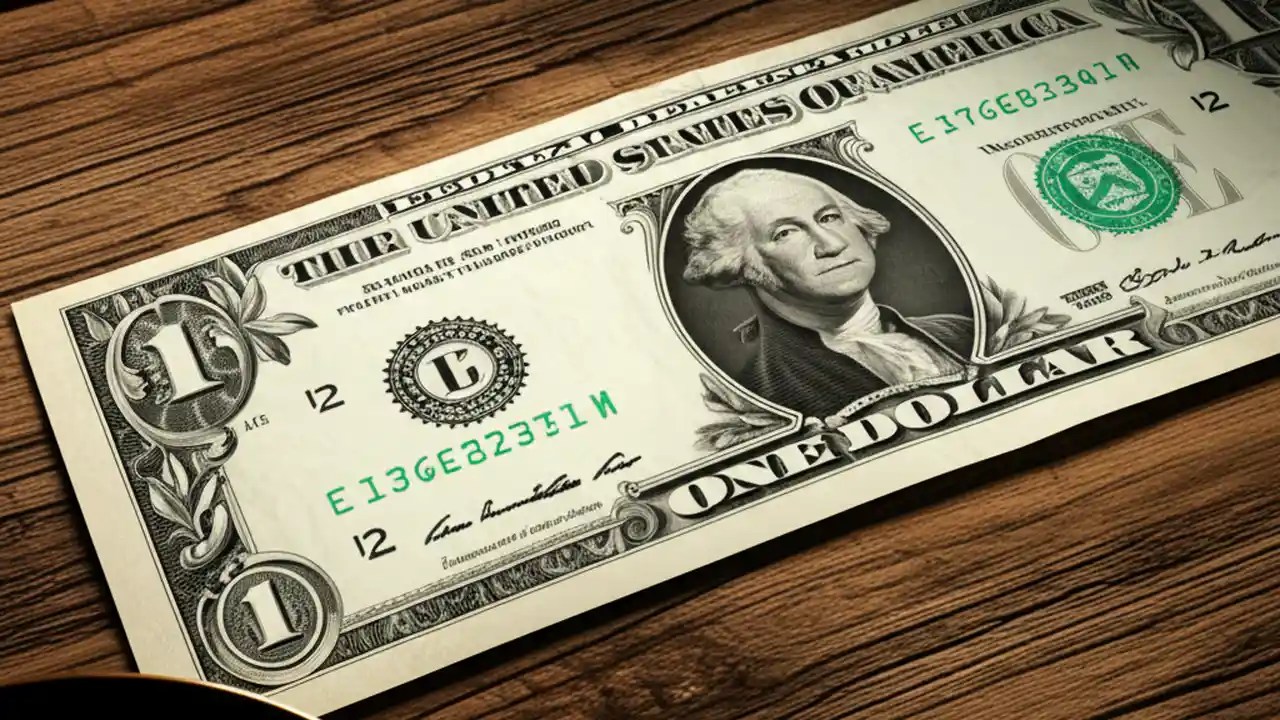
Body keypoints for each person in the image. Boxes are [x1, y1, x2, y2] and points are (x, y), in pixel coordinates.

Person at [680, 167, 973, 418]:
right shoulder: (762, 400)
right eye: (784, 233)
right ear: (737, 264)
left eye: (829, 218)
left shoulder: (960, 332)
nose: (832, 244)